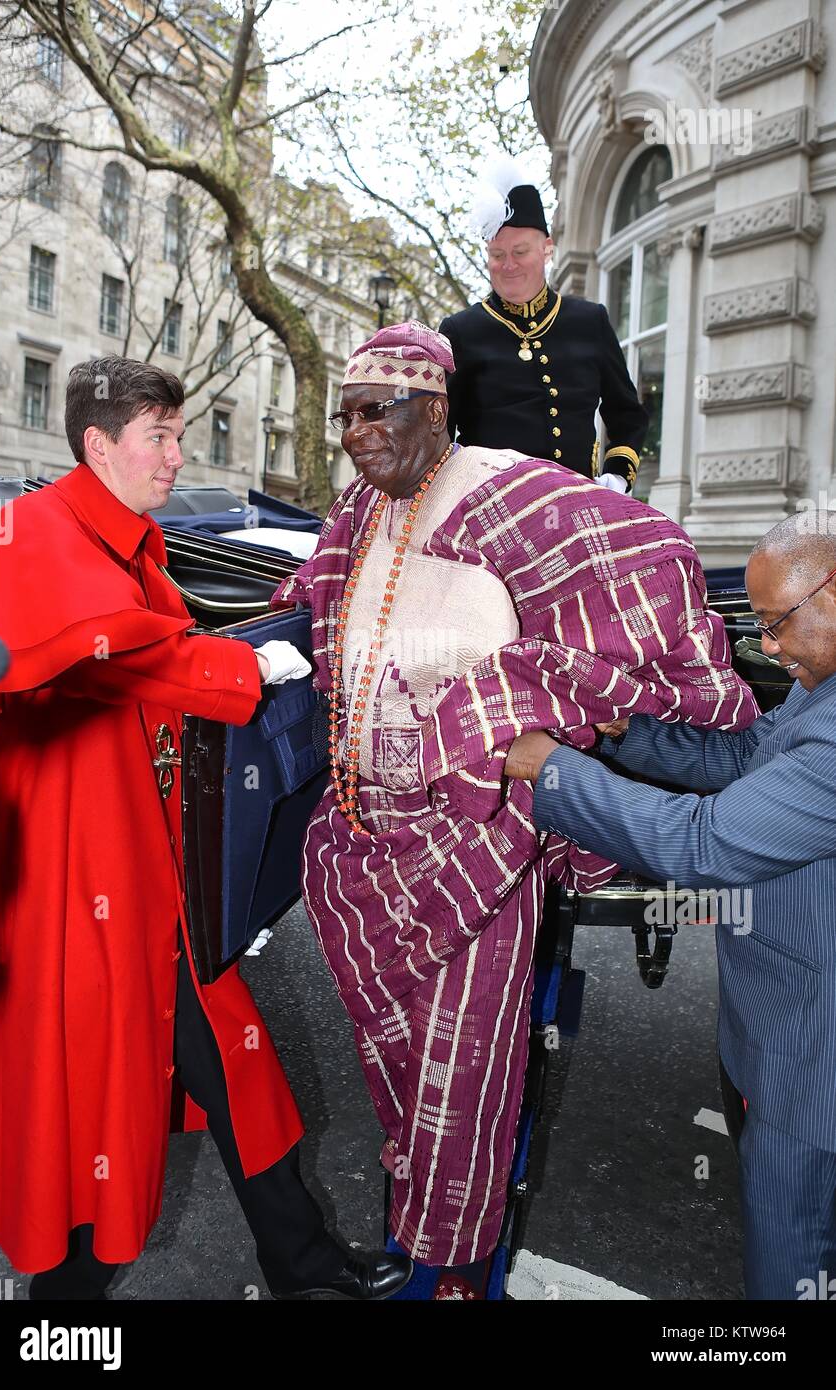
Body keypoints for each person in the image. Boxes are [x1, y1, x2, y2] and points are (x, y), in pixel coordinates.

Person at [270, 320, 757, 1299]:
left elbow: (645, 548)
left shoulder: (507, 492)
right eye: (347, 416)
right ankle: (413, 1240)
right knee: (403, 1082)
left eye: (379, 413)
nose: (359, 434)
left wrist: (708, 708)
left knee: (466, 1087)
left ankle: (455, 1273)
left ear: (435, 410)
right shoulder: (351, 518)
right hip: (361, 855)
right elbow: (302, 604)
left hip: (474, 853)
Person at [0, 356, 411, 1302]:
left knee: (232, 1058)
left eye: (177, 435)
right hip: (74, 879)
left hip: (153, 865)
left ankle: (298, 1261)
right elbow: (111, 658)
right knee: (97, 1105)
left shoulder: (125, 538)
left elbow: (150, 650)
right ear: (99, 445)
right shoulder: (34, 536)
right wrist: (243, 673)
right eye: (158, 438)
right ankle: (64, 1307)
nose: (176, 457)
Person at [504, 511, 836, 1301]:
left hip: (813, 1055)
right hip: (778, 1023)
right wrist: (626, 734)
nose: (772, 648)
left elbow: (704, 845)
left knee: (791, 1244)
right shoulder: (819, 689)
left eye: (777, 624)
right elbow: (745, 760)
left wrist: (554, 773)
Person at [439, 154, 649, 493]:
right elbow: (440, 432)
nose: (508, 265)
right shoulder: (460, 331)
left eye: (520, 252)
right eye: (497, 255)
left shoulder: (589, 321)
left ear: (547, 250)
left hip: (575, 500)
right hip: (491, 508)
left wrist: (617, 476)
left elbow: (628, 415)